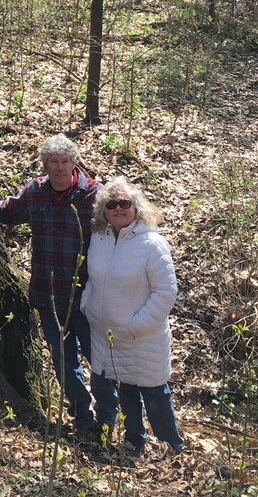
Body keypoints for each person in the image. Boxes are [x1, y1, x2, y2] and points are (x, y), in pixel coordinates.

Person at [0, 134, 100, 434]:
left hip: (87, 298)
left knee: (100, 361)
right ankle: (82, 418)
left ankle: (108, 417)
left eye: (65, 161)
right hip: (48, 297)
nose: (60, 168)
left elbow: (120, 223)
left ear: (74, 163)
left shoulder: (93, 195)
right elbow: (9, 211)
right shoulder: (36, 191)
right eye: (53, 162)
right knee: (64, 362)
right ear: (45, 165)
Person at [81, 177, 184, 457]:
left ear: (136, 207)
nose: (118, 208)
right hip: (108, 335)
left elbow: (166, 292)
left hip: (143, 337)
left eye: (124, 203)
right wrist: (88, 305)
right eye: (111, 204)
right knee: (126, 391)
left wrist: (136, 325)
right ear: (103, 211)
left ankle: (172, 446)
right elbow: (93, 278)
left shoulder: (152, 244)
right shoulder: (99, 239)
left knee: (154, 393)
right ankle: (134, 440)